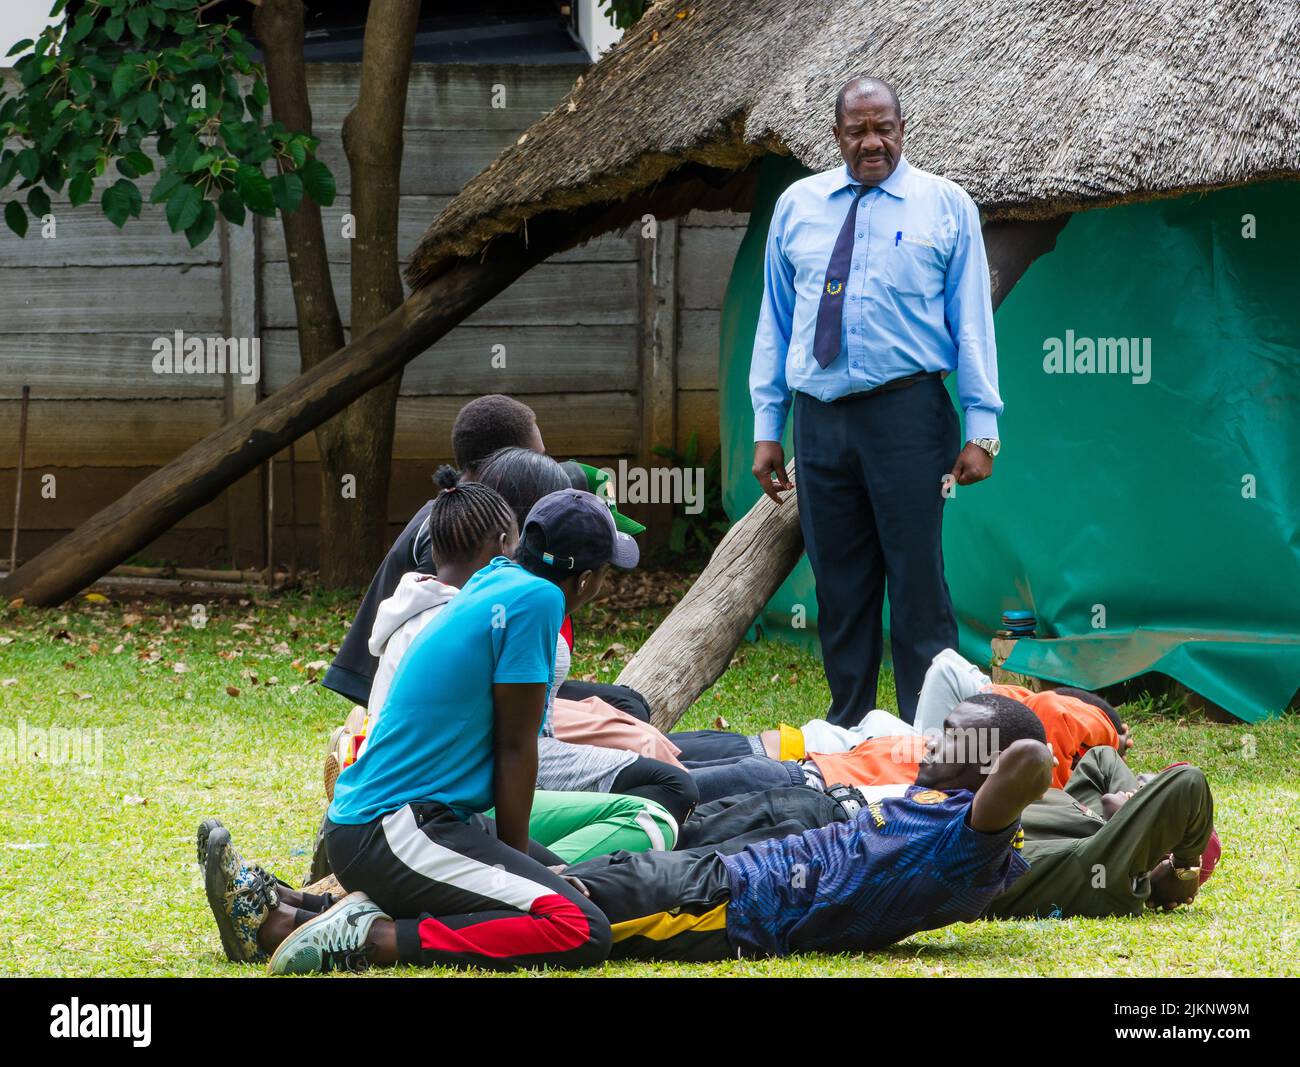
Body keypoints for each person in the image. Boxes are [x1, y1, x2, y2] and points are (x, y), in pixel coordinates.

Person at [255, 694, 1052, 970]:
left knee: (558, 915)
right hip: (727, 869)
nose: (935, 742)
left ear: (982, 763)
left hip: (739, 905)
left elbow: (1030, 759)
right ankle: (297, 910)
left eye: (955, 736)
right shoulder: (942, 806)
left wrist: (978, 755)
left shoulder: (969, 842)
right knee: (546, 886)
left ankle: (366, 939)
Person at [749, 76, 1002, 726]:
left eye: (883, 127)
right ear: (835, 136)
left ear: (902, 128)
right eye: (858, 130)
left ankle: (935, 734)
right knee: (839, 583)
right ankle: (850, 728)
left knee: (917, 577)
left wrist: (982, 427)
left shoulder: (945, 206)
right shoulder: (798, 207)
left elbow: (971, 321)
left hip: (910, 416)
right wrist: (766, 425)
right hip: (820, 420)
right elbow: (775, 322)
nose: (872, 141)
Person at [322, 395, 546, 706]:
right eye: (537, 457)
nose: (543, 466)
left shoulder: (456, 513)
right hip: (403, 696)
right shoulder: (464, 530)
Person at [985, 746, 1219, 920]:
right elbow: (1102, 757)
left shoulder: (1104, 875)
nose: (1138, 792)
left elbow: (1189, 780)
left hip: (977, 853)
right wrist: (1123, 815)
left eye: (1149, 798)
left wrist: (1185, 867)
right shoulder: (1101, 822)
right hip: (1093, 831)